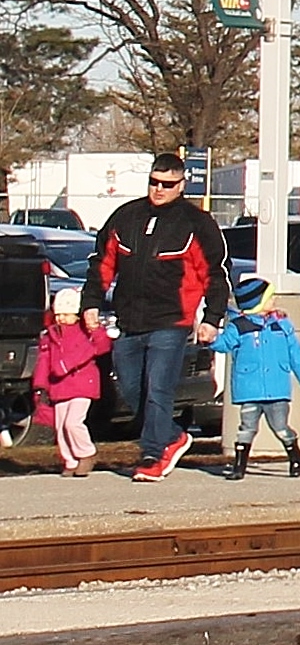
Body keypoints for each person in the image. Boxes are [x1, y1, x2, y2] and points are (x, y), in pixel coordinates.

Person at [88, 155, 234, 481]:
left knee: (158, 389)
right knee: (131, 388)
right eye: (154, 182)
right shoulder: (126, 216)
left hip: (172, 321)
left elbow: (215, 273)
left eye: (167, 184)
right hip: (129, 321)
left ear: (181, 185)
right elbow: (102, 263)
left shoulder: (197, 223)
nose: (159, 189)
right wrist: (91, 303)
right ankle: (173, 436)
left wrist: (212, 317)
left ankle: (152, 455)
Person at [218, 291, 300, 481]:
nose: (274, 301)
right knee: (247, 427)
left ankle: (294, 456)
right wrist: (210, 339)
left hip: (276, 390)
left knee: (280, 427)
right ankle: (239, 466)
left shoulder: (281, 325)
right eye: (269, 298)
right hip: (249, 388)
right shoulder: (239, 326)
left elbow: (296, 354)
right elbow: (225, 343)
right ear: (257, 303)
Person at [27, 292, 112, 476]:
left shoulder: (85, 332)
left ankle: (86, 453)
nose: (61, 319)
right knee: (60, 425)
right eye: (58, 315)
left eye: (66, 314)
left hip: (82, 385)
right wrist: (40, 385)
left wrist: (95, 328)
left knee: (73, 422)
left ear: (75, 313)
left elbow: (102, 346)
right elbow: (44, 361)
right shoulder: (50, 335)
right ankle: (70, 460)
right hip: (59, 387)